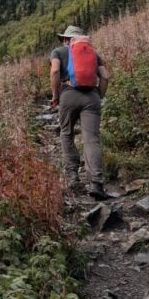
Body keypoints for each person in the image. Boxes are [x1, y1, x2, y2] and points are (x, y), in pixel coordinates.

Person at [50, 25, 110, 200]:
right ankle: (96, 183)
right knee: (91, 139)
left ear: (66, 39)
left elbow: (55, 71)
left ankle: (72, 176)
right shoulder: (93, 54)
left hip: (68, 95)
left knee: (66, 134)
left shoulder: (58, 51)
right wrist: (99, 95)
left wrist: (55, 95)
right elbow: (105, 76)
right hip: (91, 97)